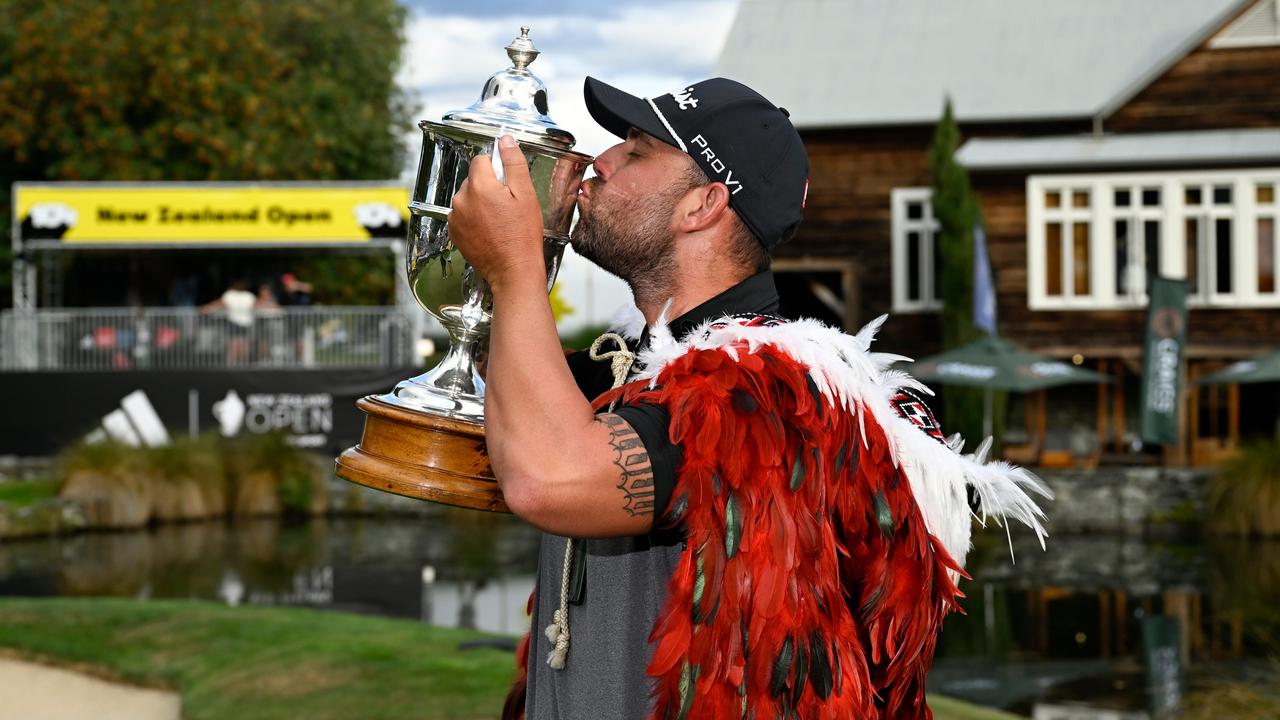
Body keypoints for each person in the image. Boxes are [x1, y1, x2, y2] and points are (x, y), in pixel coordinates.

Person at [447, 77, 1049, 720]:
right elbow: (494, 411)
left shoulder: (770, 394)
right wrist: (496, 269)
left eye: (637, 150)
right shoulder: (629, 364)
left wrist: (516, 267)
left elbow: (551, 480)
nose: (600, 160)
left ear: (702, 206)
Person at [200, 280, 255, 365]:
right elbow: (257, 304)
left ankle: (231, 363)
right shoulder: (249, 295)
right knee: (243, 343)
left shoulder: (230, 294)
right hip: (245, 323)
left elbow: (219, 304)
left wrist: (206, 308)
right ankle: (243, 363)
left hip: (234, 322)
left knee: (235, 343)